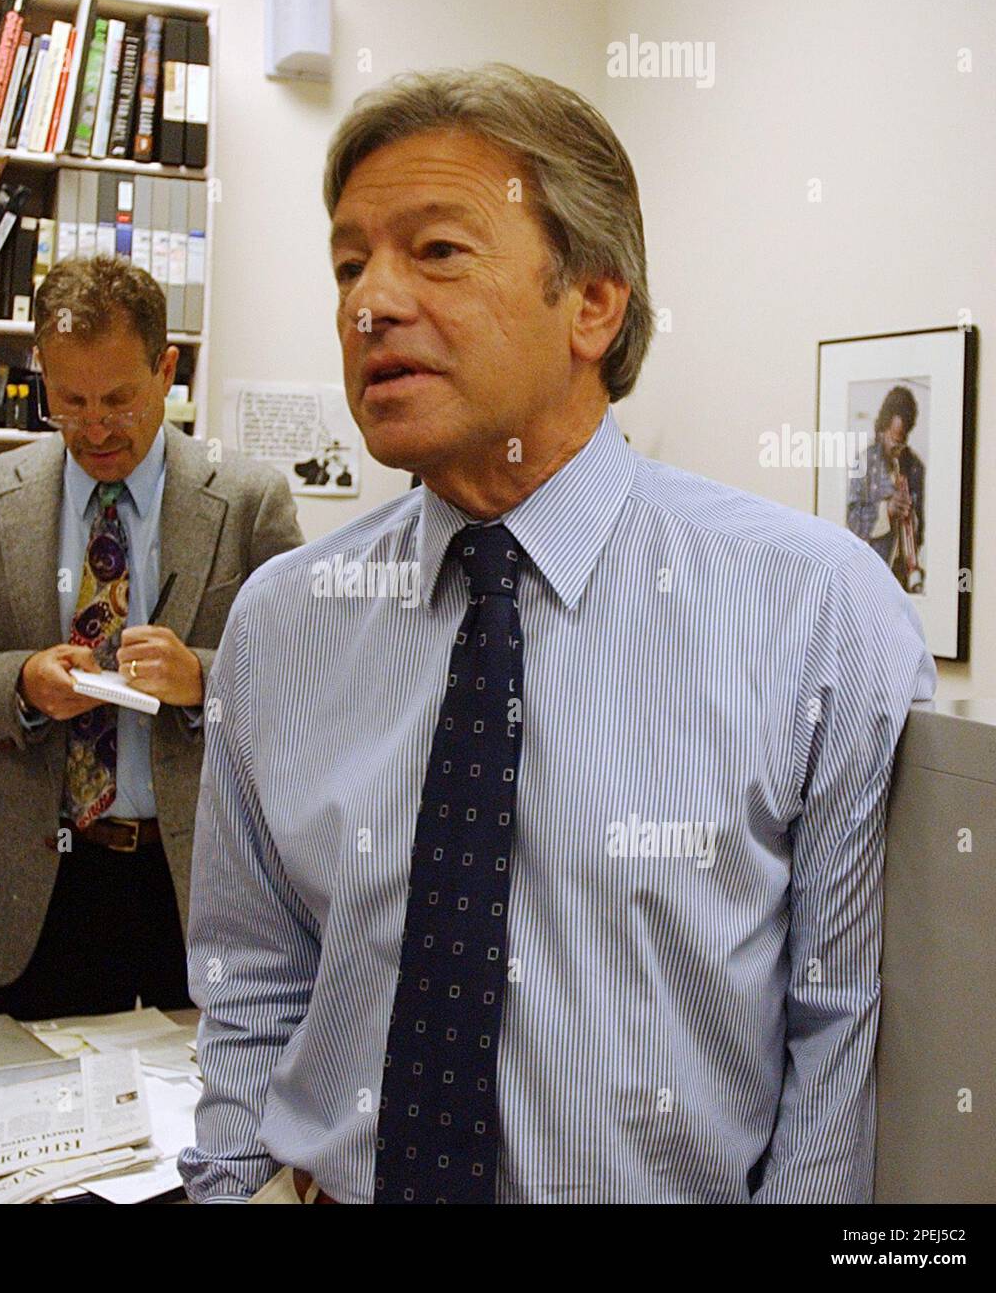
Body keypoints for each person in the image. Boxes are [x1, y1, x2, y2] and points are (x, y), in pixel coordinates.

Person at [180, 64, 935, 1204]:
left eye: (434, 250)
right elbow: (252, 977)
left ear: (592, 301)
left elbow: (840, 1040)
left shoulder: (816, 613)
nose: (367, 303)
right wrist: (229, 1186)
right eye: (348, 263)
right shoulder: (281, 624)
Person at [0, 255, 303, 1020]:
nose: (94, 429)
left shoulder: (250, 501)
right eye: (70, 400)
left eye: (119, 400)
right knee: (36, 1106)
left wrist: (203, 680)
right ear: (40, 375)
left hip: (197, 874)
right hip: (43, 876)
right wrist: (21, 683)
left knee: (203, 1115)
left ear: (166, 370)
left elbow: (313, 677)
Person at [846, 386, 926, 592]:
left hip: (903, 576)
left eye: (902, 442)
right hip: (871, 575)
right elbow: (852, 519)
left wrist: (913, 522)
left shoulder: (915, 467)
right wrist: (886, 510)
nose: (898, 451)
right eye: (894, 441)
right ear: (881, 431)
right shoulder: (862, 461)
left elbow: (922, 527)